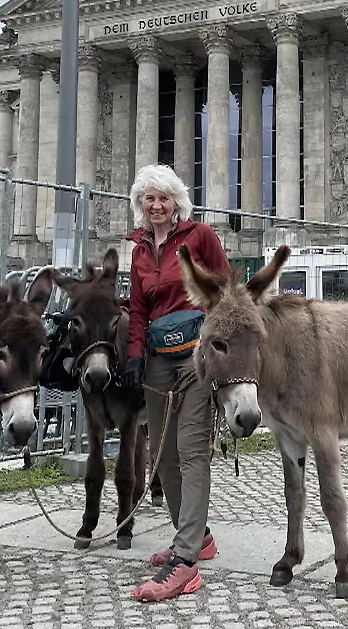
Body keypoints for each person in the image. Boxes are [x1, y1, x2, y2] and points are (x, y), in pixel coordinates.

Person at [122, 163, 232, 602]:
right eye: (148, 198)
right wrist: (133, 357)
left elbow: (225, 293)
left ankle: (185, 562)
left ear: (177, 202)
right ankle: (197, 535)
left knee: (190, 449)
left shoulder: (199, 237)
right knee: (162, 455)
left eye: (163, 197)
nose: (156, 205)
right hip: (155, 361)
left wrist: (212, 344)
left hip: (194, 358)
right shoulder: (139, 250)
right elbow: (136, 310)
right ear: (140, 204)